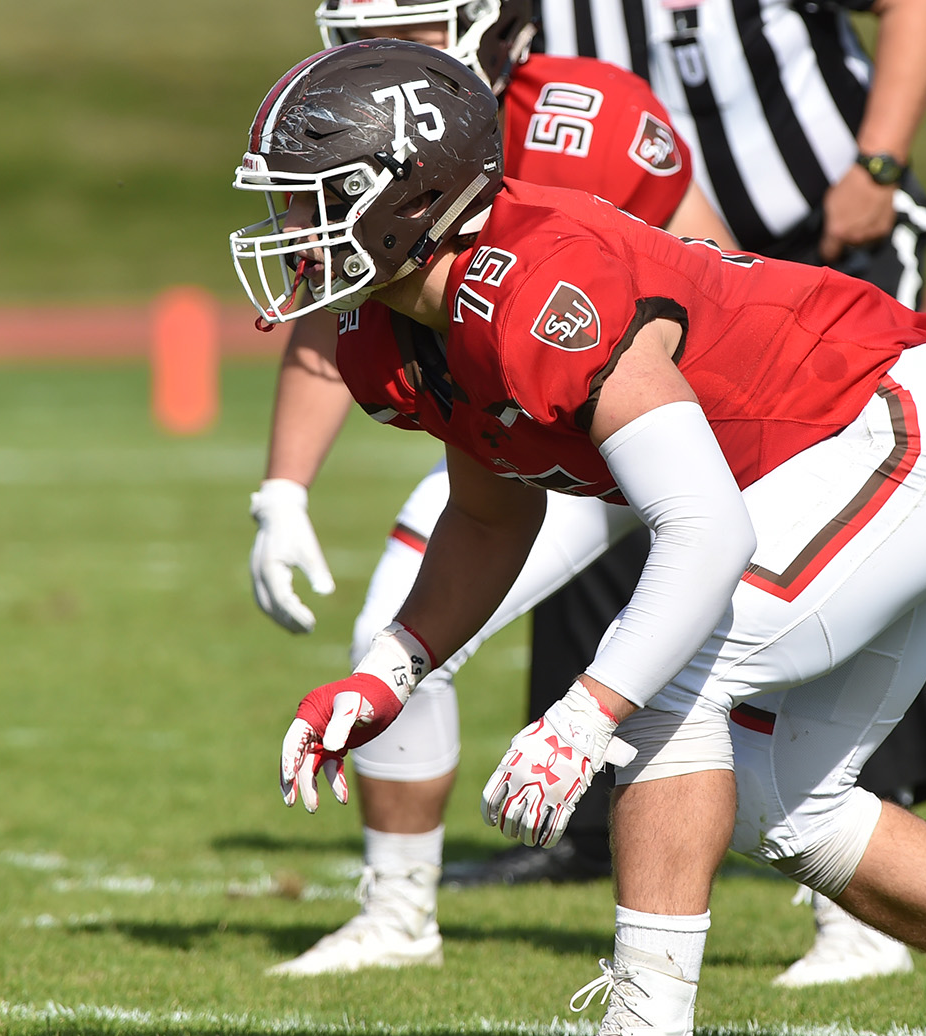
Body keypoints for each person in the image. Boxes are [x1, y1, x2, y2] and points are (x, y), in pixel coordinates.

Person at [235, 40, 926, 1036]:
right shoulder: (392, 332)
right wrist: (385, 673)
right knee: (787, 805)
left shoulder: (534, 284)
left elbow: (704, 533)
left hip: (891, 422)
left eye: (314, 201)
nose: (290, 233)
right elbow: (490, 518)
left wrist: (583, 715)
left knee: (673, 688)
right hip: (837, 451)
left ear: (412, 195)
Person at [245, 0, 731, 977]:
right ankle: (396, 911)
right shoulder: (354, 133)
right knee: (392, 631)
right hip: (527, 446)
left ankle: (847, 919)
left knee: (741, 670)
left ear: (486, 22)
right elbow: (329, 300)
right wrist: (283, 492)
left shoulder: (585, 116)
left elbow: (712, 269)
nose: (364, 57)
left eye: (407, 29)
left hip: (666, 422)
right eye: (347, 35)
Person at [523, 0, 926, 985]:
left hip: (821, 238)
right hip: (665, 265)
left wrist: (878, 162)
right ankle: (596, 826)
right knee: (622, 496)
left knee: (824, 533)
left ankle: (848, 874)